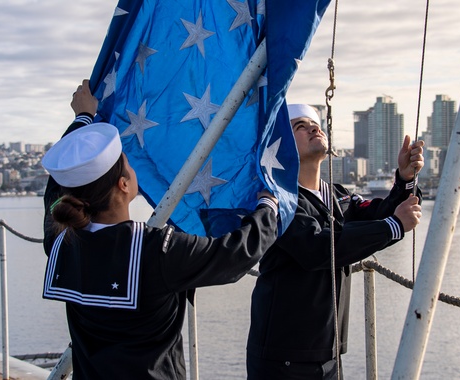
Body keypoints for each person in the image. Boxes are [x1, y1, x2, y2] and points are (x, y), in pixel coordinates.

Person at [41, 80, 280, 379]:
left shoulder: (62, 243)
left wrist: (82, 120)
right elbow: (235, 254)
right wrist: (269, 206)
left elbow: (57, 190)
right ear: (124, 185)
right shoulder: (156, 251)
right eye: (128, 164)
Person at [246, 104, 424, 379]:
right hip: (283, 354)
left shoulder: (338, 196)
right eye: (300, 126)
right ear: (280, 145)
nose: (313, 129)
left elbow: (382, 214)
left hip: (328, 352)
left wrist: (405, 179)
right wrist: (394, 226)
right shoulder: (277, 199)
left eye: (315, 125)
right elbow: (316, 248)